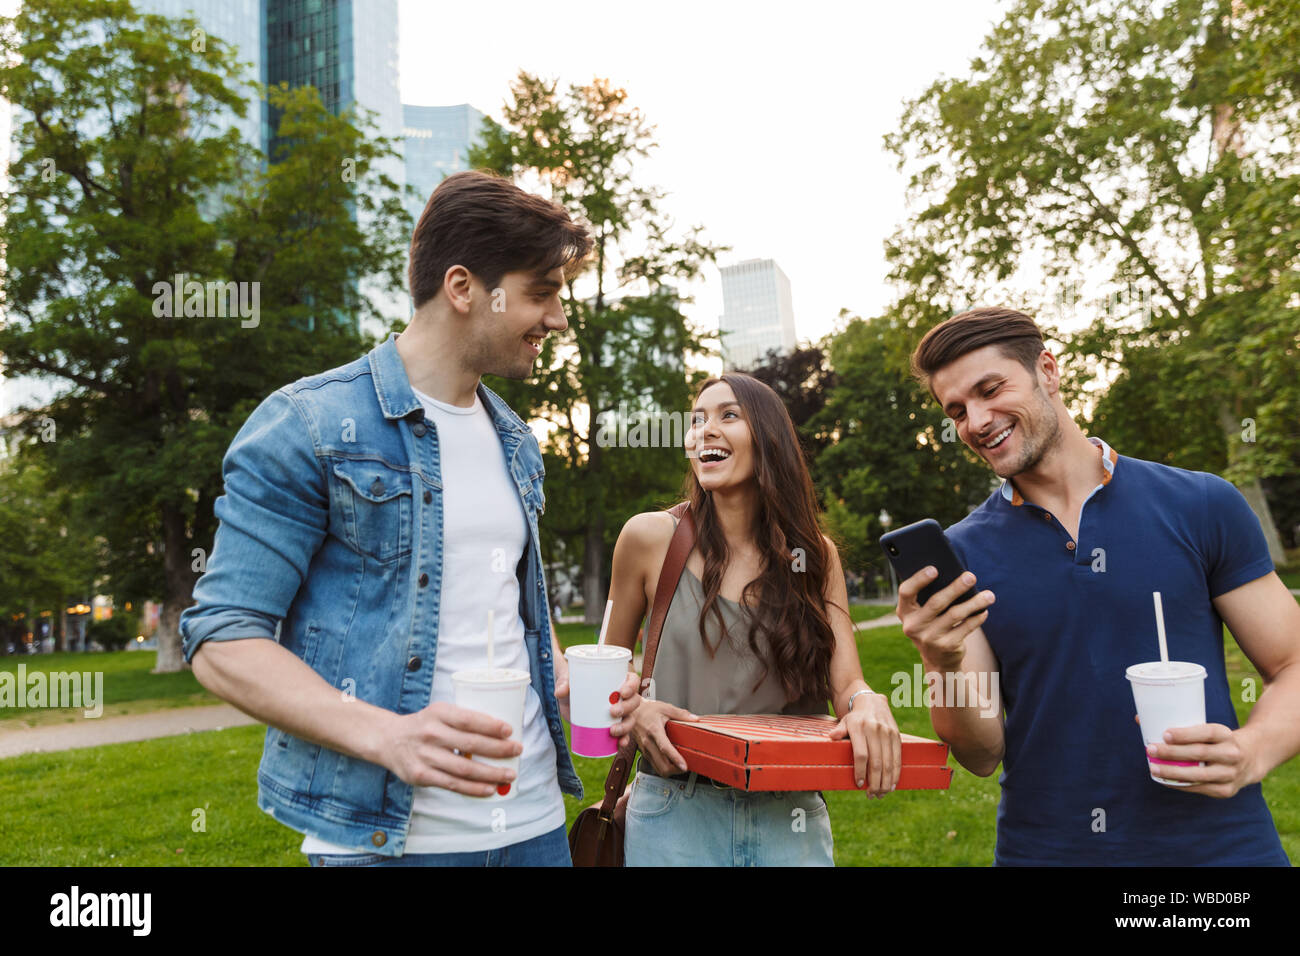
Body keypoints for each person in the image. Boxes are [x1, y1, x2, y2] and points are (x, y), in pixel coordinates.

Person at [180, 171, 593, 866]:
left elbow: (499, 602)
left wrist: (560, 667)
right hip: (385, 843)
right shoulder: (308, 424)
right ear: (463, 289)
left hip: (534, 829)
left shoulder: (517, 440)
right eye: (541, 293)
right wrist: (388, 736)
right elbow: (222, 639)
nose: (556, 319)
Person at [900, 306, 1300, 865]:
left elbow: (1292, 664)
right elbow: (980, 752)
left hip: (1220, 853)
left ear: (1047, 370)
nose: (977, 420)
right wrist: (940, 661)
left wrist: (1252, 751)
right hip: (1048, 851)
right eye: (957, 410)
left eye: (991, 389)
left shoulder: (1201, 504)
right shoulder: (963, 555)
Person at [602, 372, 902, 866]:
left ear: (769, 439)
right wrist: (636, 712)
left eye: (728, 415)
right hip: (675, 813)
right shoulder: (648, 538)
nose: (705, 430)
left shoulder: (815, 557)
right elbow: (603, 674)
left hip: (792, 815)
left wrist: (867, 702)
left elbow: (848, 683)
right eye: (696, 420)